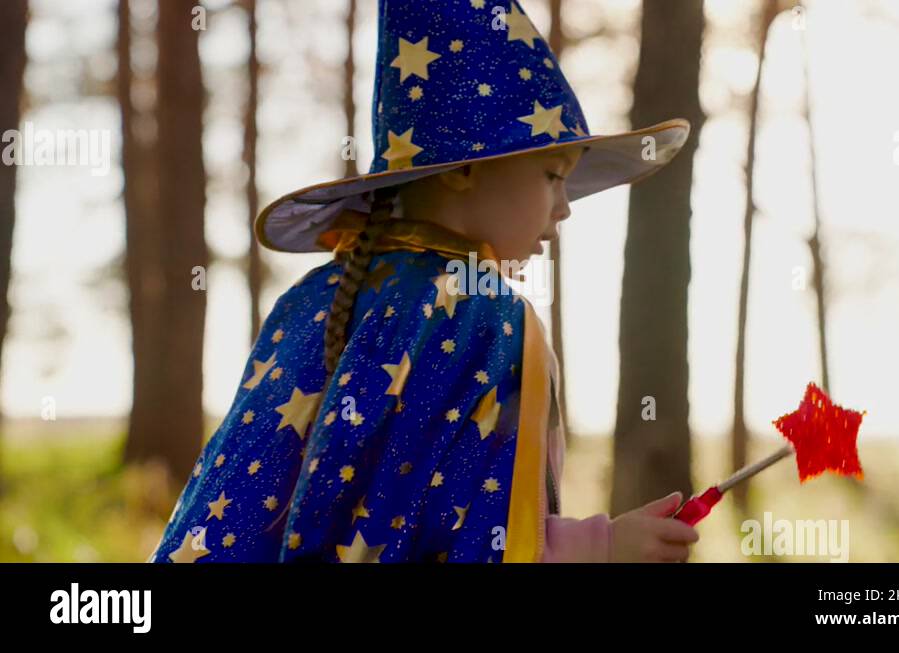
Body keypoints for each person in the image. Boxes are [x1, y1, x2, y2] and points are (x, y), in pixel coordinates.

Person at [149, 0, 697, 563]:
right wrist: (604, 546)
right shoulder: (486, 316)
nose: (564, 208)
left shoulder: (310, 297)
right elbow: (474, 541)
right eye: (552, 176)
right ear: (465, 167)